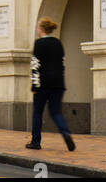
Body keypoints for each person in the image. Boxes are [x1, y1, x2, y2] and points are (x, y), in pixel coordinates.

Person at [25, 17, 75, 152]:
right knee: (56, 112)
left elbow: (35, 64)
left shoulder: (39, 43)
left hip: (42, 84)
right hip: (58, 83)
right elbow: (62, 64)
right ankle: (65, 132)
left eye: (37, 27)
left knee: (38, 113)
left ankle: (36, 141)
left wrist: (34, 86)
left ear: (41, 29)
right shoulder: (58, 43)